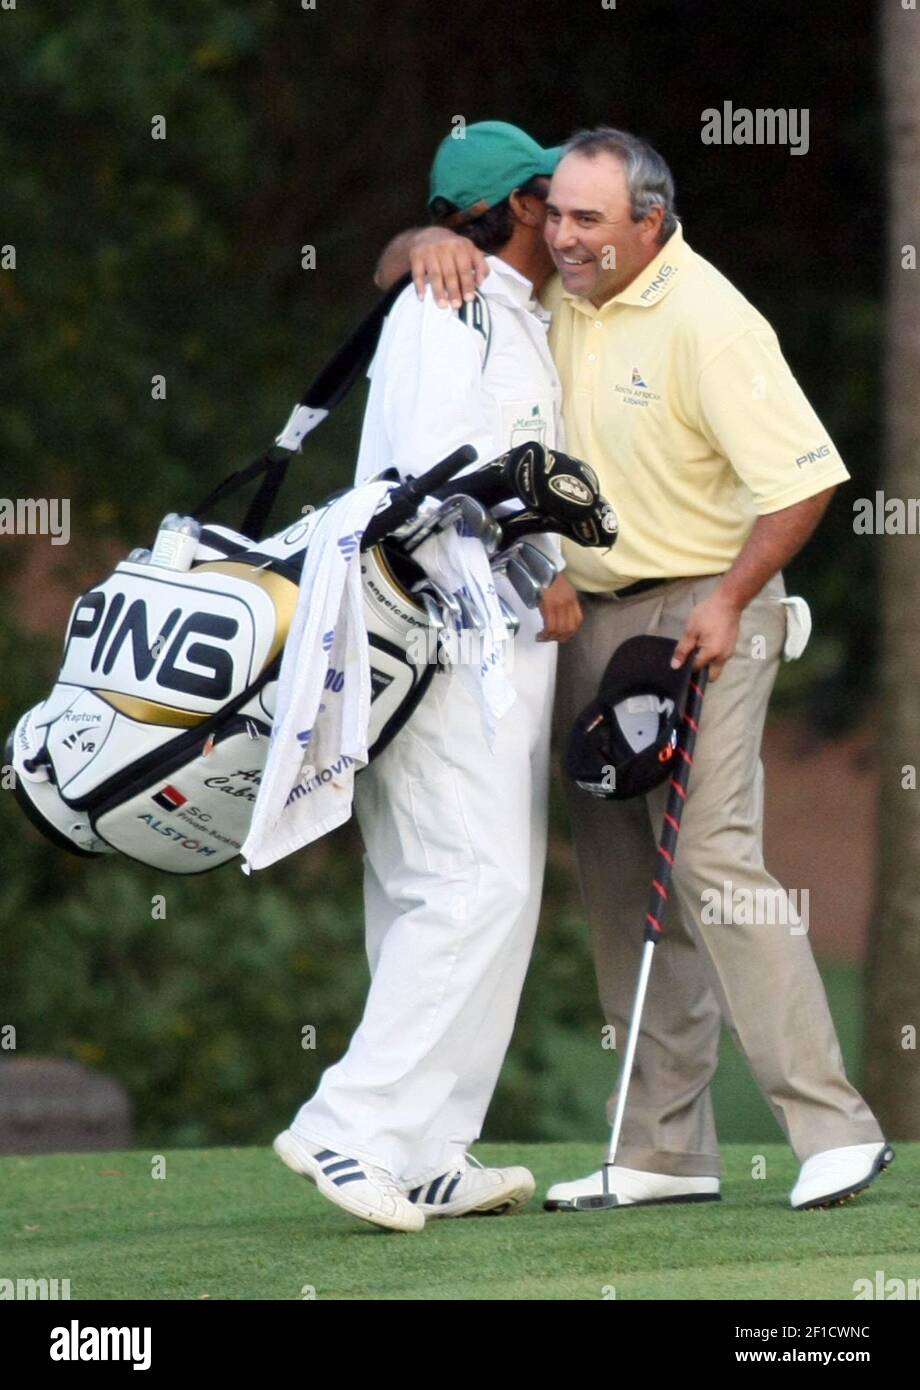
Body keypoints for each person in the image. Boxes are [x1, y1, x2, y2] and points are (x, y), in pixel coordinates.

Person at [397, 126, 892, 1212]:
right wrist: (415, 239)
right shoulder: (556, 289)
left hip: (707, 602)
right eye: (557, 215)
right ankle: (663, 1152)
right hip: (584, 617)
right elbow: (413, 266)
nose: (563, 237)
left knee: (710, 855)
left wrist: (724, 602)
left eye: (589, 220)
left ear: (647, 223)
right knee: (625, 880)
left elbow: (802, 481)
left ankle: (832, 1127)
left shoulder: (709, 320)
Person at [273, 121, 586, 1231]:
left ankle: (425, 1146)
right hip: (450, 641)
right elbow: (429, 482)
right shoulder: (446, 303)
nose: (565, 214)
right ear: (506, 210)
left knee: (440, 887)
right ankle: (345, 1128)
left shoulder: (490, 301)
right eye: (548, 196)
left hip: (474, 644)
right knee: (471, 884)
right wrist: (533, 561)